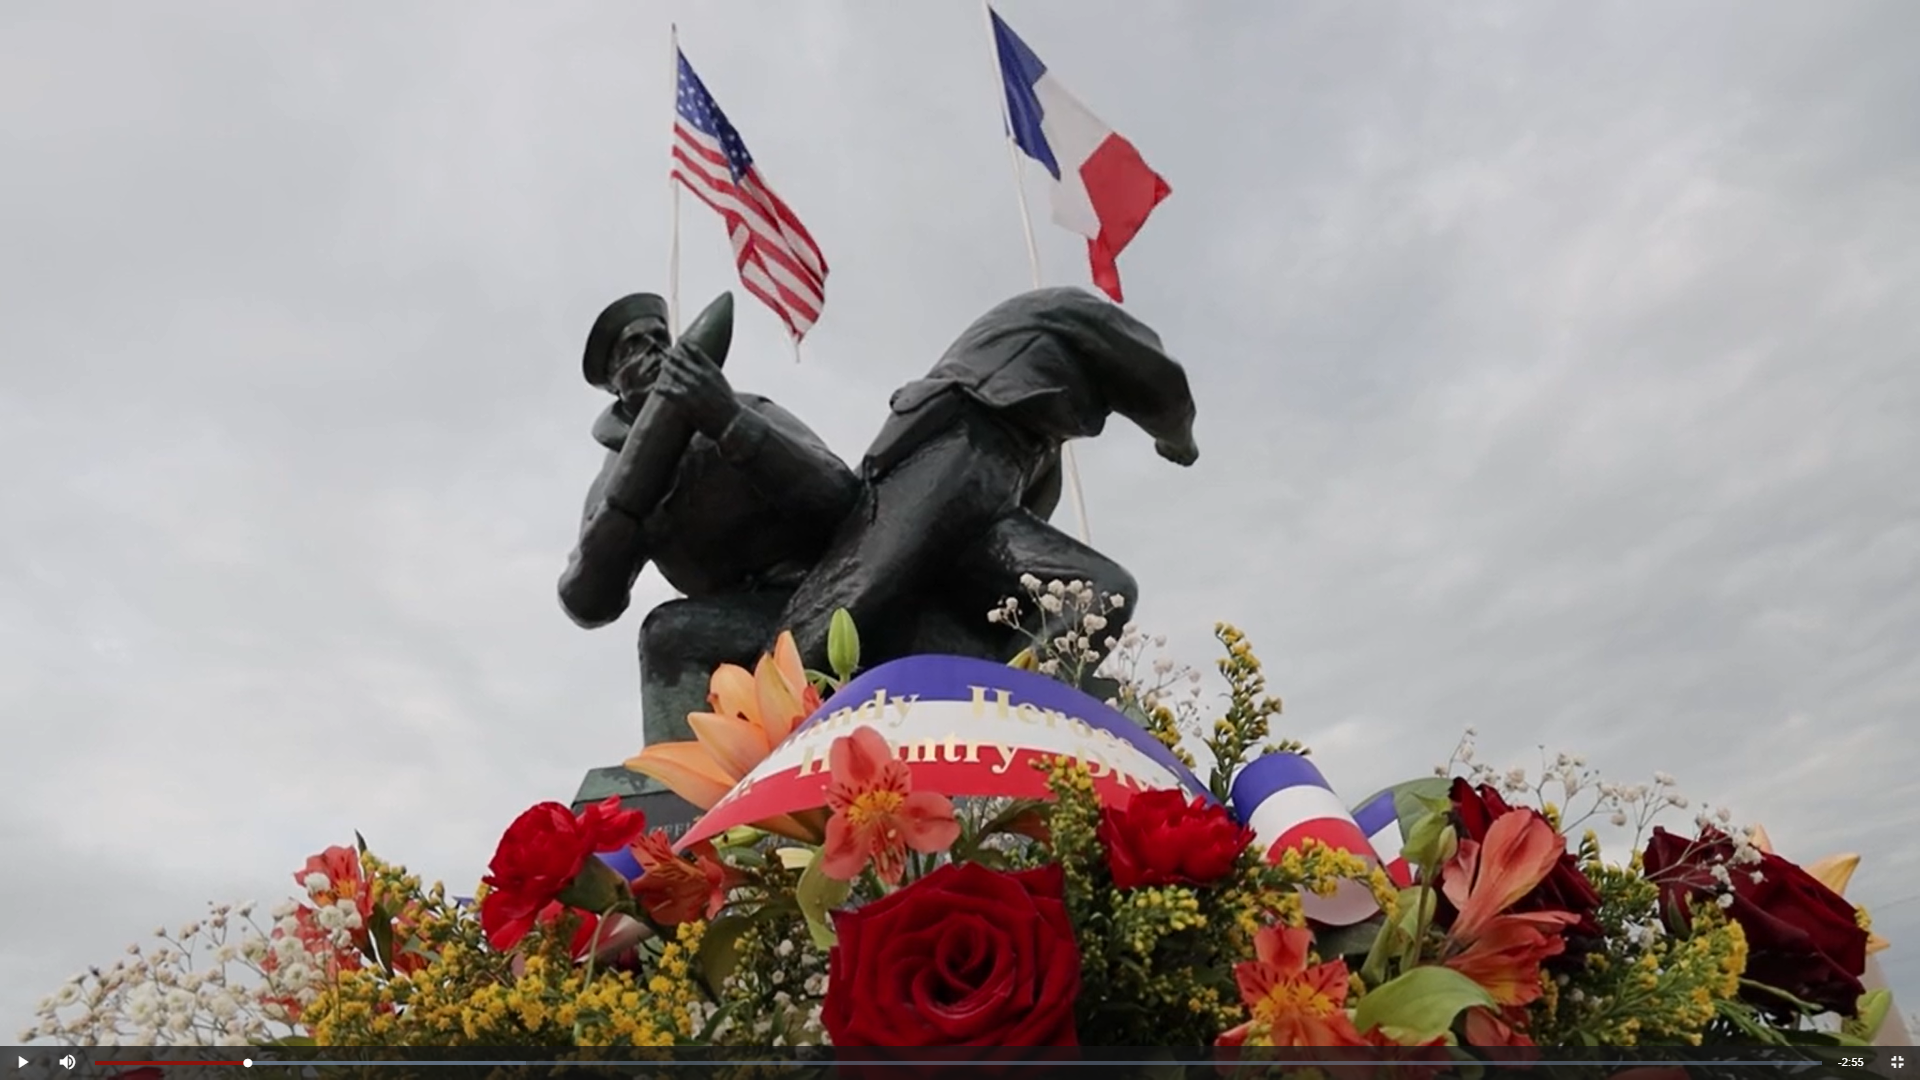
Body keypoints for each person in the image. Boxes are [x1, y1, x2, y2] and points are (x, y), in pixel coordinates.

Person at [777, 285, 1200, 674]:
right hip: (963, 443)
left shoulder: (1039, 449)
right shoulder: (1070, 312)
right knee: (861, 594)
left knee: (1101, 593)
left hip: (994, 484)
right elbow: (1154, 375)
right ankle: (757, 711)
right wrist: (1178, 438)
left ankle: (1010, 715)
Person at [558, 292, 862, 741]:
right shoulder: (612, 480)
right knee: (669, 635)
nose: (655, 351)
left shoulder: (750, 409)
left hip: (835, 592)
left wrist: (729, 421)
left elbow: (841, 496)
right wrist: (629, 504)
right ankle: (686, 798)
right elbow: (585, 601)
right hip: (735, 626)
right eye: (633, 348)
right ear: (615, 385)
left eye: (661, 338)